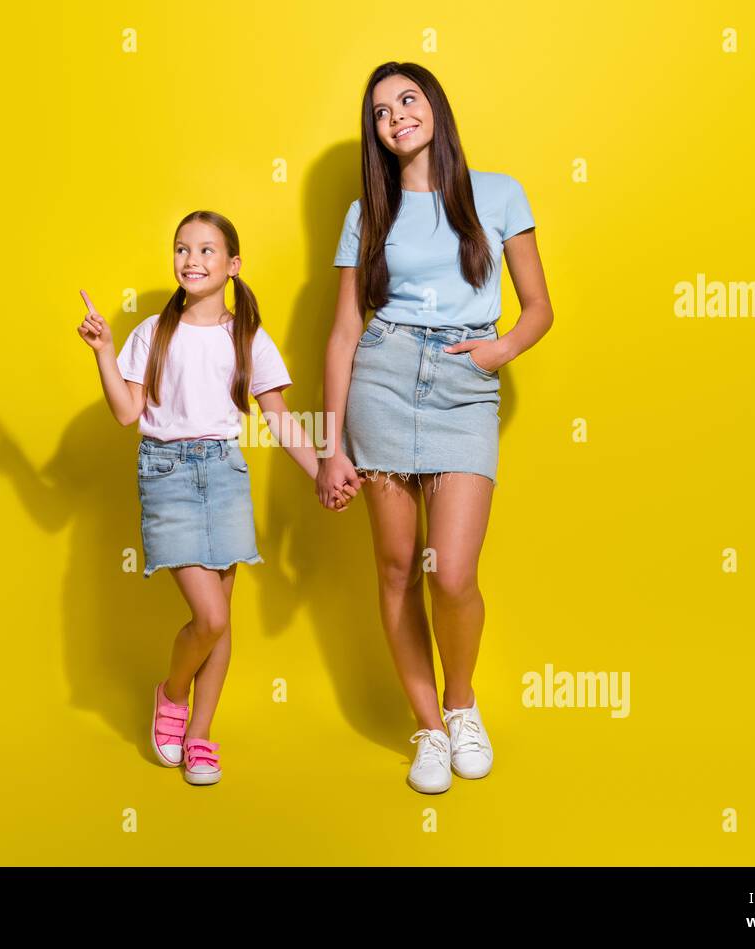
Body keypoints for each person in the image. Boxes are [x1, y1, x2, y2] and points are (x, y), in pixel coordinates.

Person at [318, 62, 555, 793]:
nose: (396, 118)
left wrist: (502, 349)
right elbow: (343, 330)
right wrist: (330, 446)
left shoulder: (500, 192)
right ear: (377, 135)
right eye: (382, 113)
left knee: (450, 574)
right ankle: (426, 727)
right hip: (383, 381)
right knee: (396, 569)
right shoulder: (368, 214)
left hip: (461, 387)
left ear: (435, 107)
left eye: (407, 100)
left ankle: (460, 703)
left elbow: (539, 306)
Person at [77, 210, 347, 785]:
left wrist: (323, 470)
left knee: (220, 623)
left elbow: (279, 420)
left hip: (224, 474)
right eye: (181, 249)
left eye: (205, 250)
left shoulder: (247, 336)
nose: (191, 260)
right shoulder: (152, 332)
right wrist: (103, 349)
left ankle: (199, 734)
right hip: (167, 473)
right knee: (211, 615)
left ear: (232, 265)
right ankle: (171, 694)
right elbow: (128, 413)